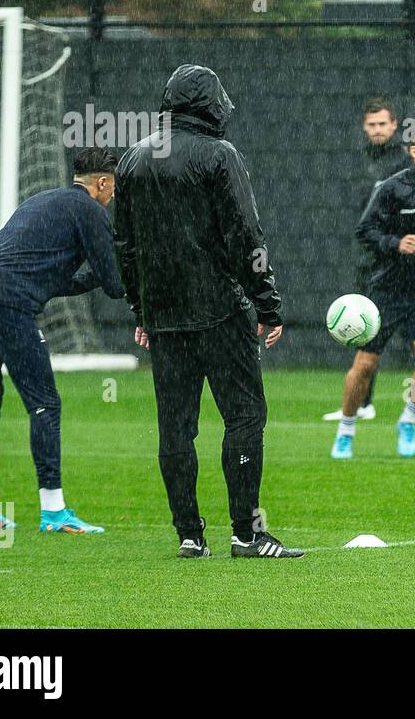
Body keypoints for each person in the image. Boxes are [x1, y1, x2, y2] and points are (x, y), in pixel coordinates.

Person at [116, 63, 301, 559]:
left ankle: (189, 536)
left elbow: (125, 247)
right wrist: (268, 304)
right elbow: (247, 233)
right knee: (244, 416)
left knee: (176, 427)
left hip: (165, 318)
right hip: (220, 310)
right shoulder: (219, 155)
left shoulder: (132, 160)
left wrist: (141, 310)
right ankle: (246, 533)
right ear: (209, 105)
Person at [0, 148, 125, 535]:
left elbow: (56, 281)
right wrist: (134, 264)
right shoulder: (90, 211)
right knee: (45, 404)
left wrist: (97, 274)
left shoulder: (43, 200)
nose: (113, 196)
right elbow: (114, 285)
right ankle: (53, 511)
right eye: (113, 187)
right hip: (5, 302)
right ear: (101, 183)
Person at [324, 97, 415, 423]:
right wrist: (394, 243)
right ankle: (357, 412)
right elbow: (365, 227)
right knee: (367, 358)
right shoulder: (374, 169)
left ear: (395, 128)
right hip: (383, 272)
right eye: (372, 124)